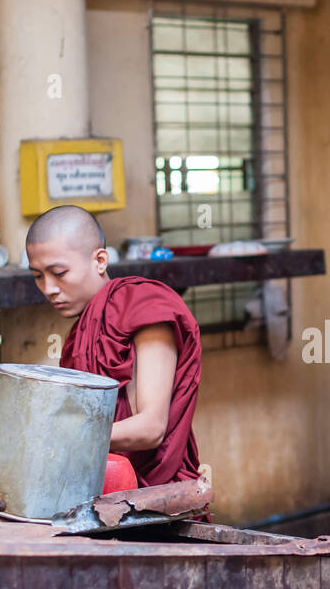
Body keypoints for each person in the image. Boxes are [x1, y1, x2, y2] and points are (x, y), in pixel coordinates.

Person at [25, 204, 203, 490]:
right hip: (99, 488)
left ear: (100, 260)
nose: (48, 288)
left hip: (156, 496)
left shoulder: (145, 308)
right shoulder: (80, 333)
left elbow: (151, 428)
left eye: (59, 273)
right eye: (37, 276)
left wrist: (64, 434)